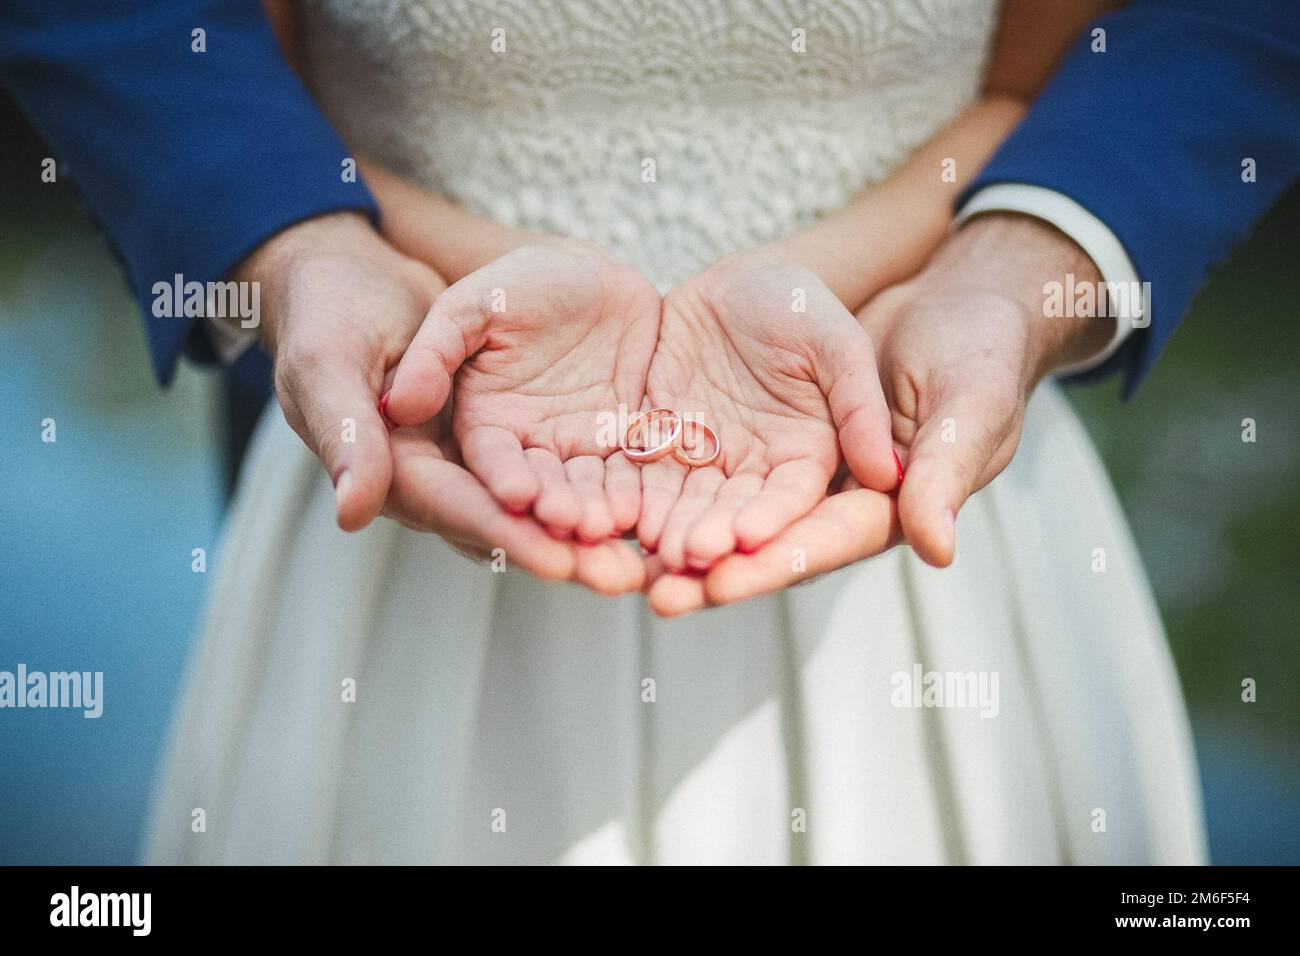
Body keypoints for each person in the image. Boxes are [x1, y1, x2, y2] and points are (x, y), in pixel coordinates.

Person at [2, 0, 1295, 863]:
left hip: (902, 431)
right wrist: (305, 250)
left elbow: (1144, 42)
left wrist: (1007, 281)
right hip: (414, 453)